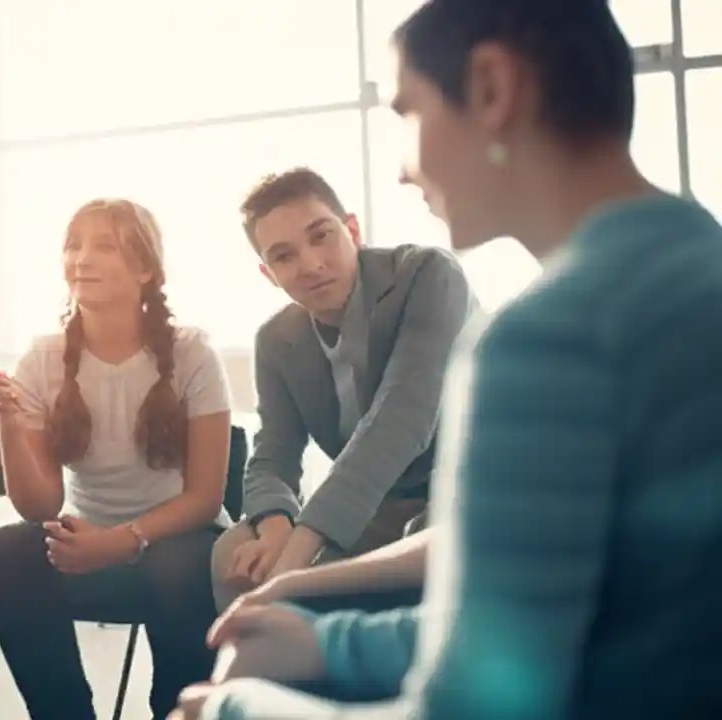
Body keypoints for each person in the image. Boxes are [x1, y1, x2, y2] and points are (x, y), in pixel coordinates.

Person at [178, 1, 722, 718]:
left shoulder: (548, 339)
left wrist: (233, 710)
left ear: (493, 91)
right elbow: (584, 611)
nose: (405, 169)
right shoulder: (695, 268)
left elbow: (473, 706)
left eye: (409, 114)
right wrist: (329, 643)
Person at [0, 198, 233, 719]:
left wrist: (120, 541)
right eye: (74, 245)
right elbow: (39, 504)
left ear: (145, 269)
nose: (81, 259)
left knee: (178, 563)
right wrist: (8, 421)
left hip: (176, 543)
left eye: (103, 246)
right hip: (84, 546)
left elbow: (205, 500)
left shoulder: (193, 354)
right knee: (2, 552)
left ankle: (178, 713)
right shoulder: (42, 359)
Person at [211, 167, 473, 610]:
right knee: (232, 553)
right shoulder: (276, 339)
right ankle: (248, 677)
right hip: (377, 507)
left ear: (353, 229)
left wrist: (293, 559)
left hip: (461, 491)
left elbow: (400, 420)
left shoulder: (427, 276)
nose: (311, 265)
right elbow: (273, 452)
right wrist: (276, 528)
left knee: (303, 575)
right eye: (284, 256)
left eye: (321, 236)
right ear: (268, 273)